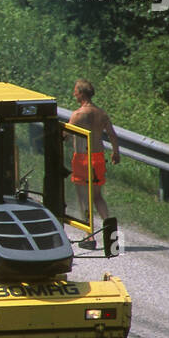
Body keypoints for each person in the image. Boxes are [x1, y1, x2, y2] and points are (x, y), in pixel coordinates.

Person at [68, 79, 121, 227]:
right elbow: (112, 135)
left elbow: (65, 135)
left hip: (81, 159)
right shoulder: (102, 114)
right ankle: (108, 225)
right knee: (97, 196)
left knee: (84, 198)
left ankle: (89, 235)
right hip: (97, 158)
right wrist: (116, 152)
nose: (74, 94)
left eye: (75, 92)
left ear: (81, 94)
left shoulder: (77, 115)